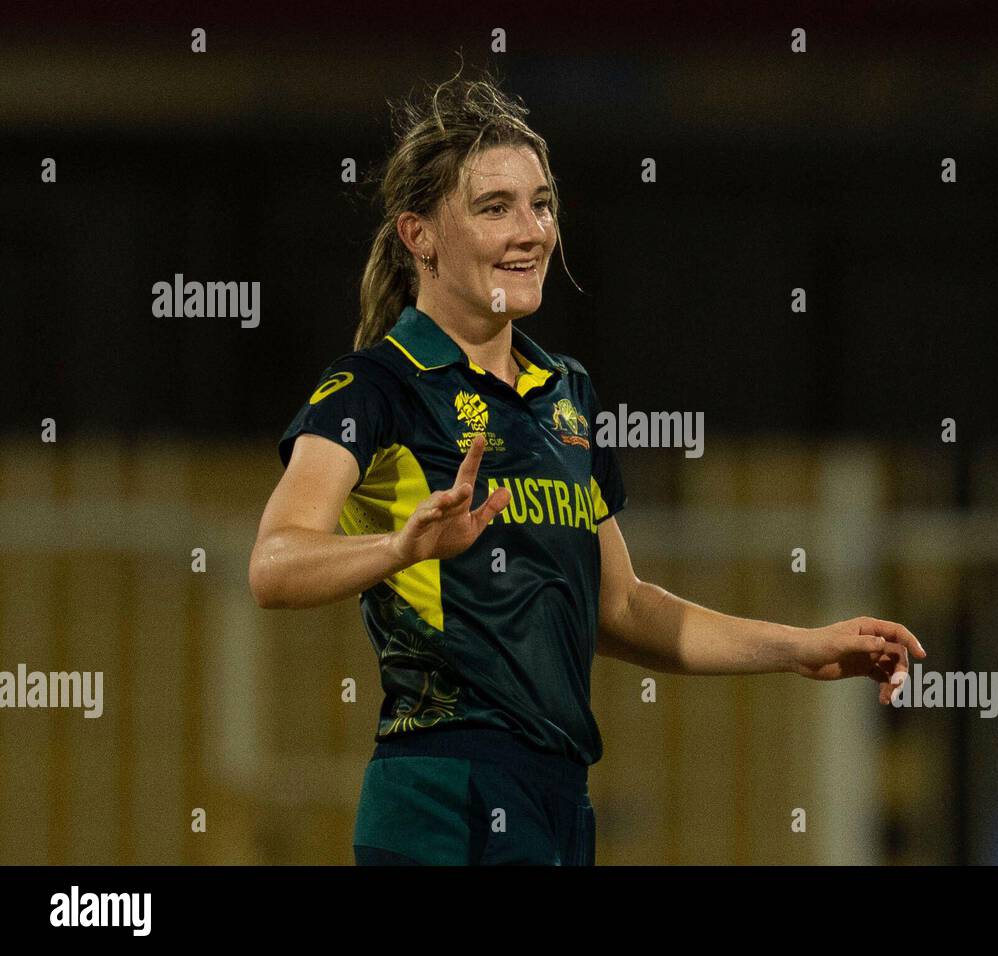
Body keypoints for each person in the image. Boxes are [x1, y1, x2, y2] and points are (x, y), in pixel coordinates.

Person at [248, 68, 924, 866]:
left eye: (541, 204)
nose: (530, 231)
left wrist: (801, 647)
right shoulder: (375, 386)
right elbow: (273, 563)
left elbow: (624, 608)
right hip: (441, 793)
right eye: (494, 208)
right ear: (418, 236)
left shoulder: (564, 392)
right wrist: (400, 549)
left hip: (560, 800)